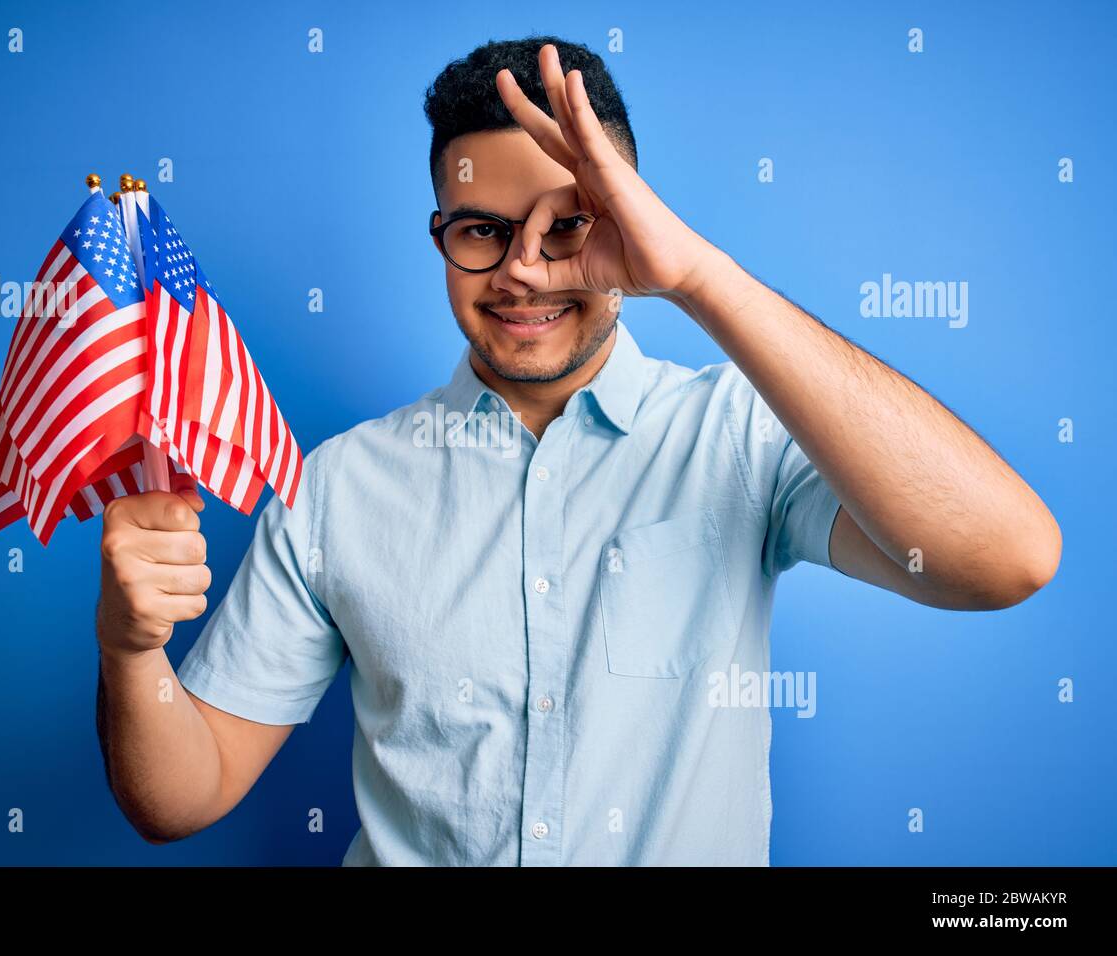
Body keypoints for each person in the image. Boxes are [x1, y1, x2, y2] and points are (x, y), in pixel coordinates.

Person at [94, 37, 1061, 865]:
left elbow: (1006, 559)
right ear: (441, 237)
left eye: (569, 227)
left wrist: (696, 278)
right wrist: (131, 650)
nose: (523, 268)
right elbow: (181, 798)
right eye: (483, 229)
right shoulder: (334, 489)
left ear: (627, 220)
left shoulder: (739, 434)